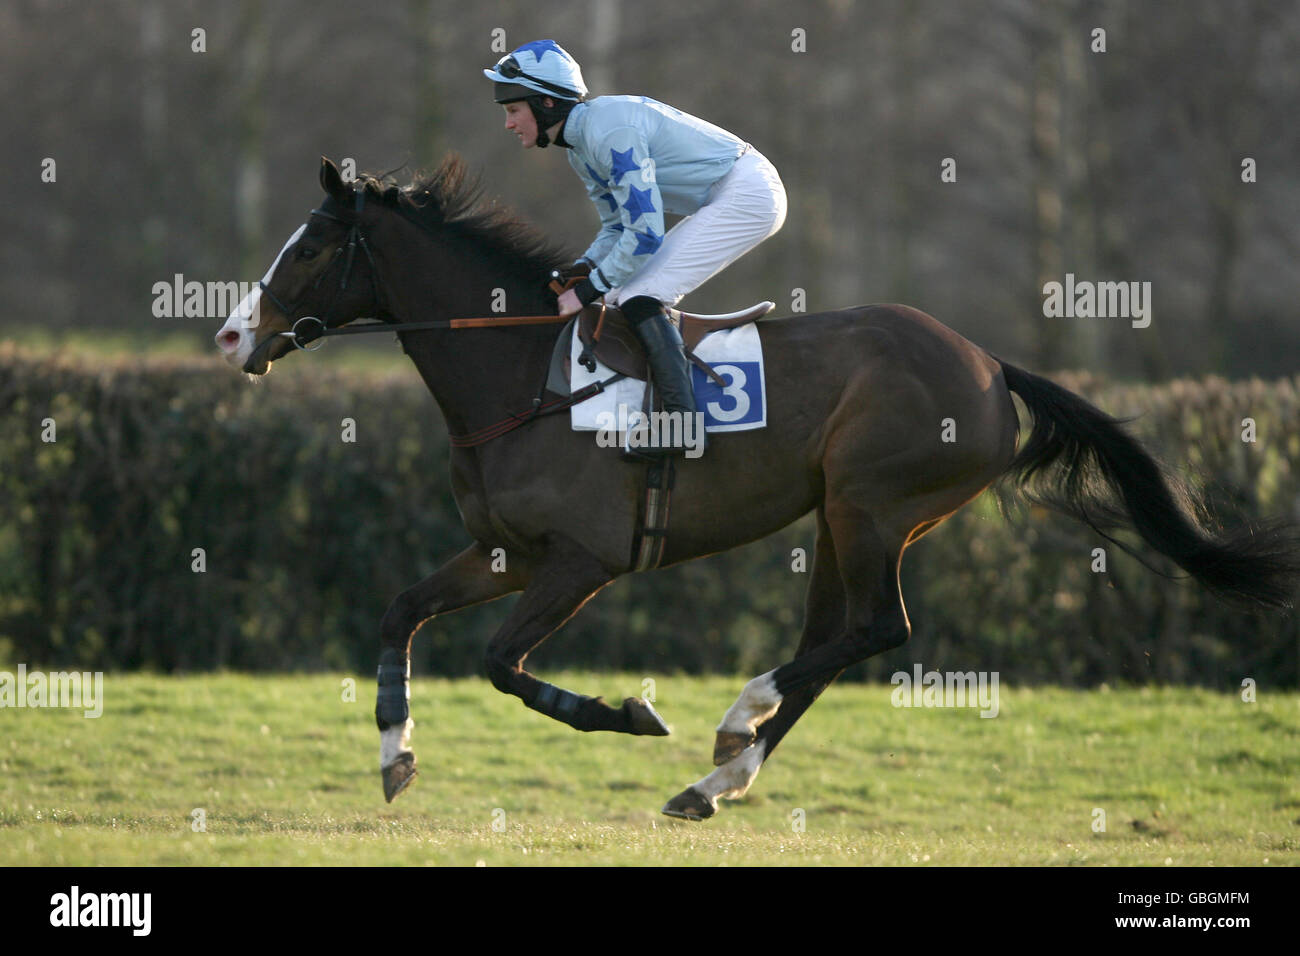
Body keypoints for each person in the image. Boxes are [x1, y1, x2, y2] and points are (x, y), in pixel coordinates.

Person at [483, 39, 787, 454]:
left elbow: (645, 233)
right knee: (618, 291)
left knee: (640, 294)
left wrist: (588, 290)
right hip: (729, 191)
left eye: (513, 110)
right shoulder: (580, 149)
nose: (508, 123)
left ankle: (682, 426)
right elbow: (615, 227)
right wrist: (581, 269)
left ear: (547, 104)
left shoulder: (608, 132)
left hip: (749, 193)